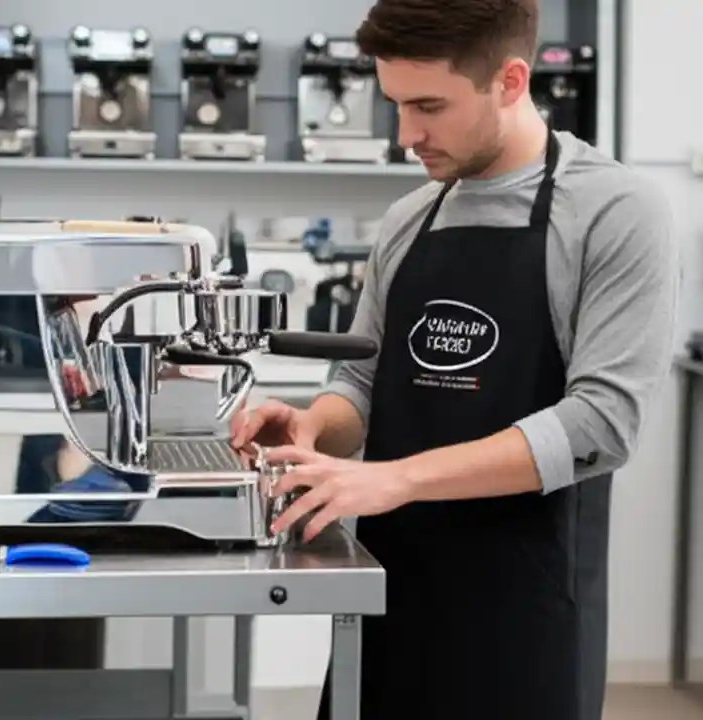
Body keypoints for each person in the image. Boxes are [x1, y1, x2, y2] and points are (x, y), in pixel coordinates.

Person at [230, 0, 678, 717]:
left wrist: (397, 479)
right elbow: (362, 378)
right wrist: (318, 426)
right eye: (396, 105)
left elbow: (600, 425)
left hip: (524, 612)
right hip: (389, 594)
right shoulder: (411, 217)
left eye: (429, 106)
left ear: (510, 80)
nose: (406, 135)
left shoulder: (615, 212)